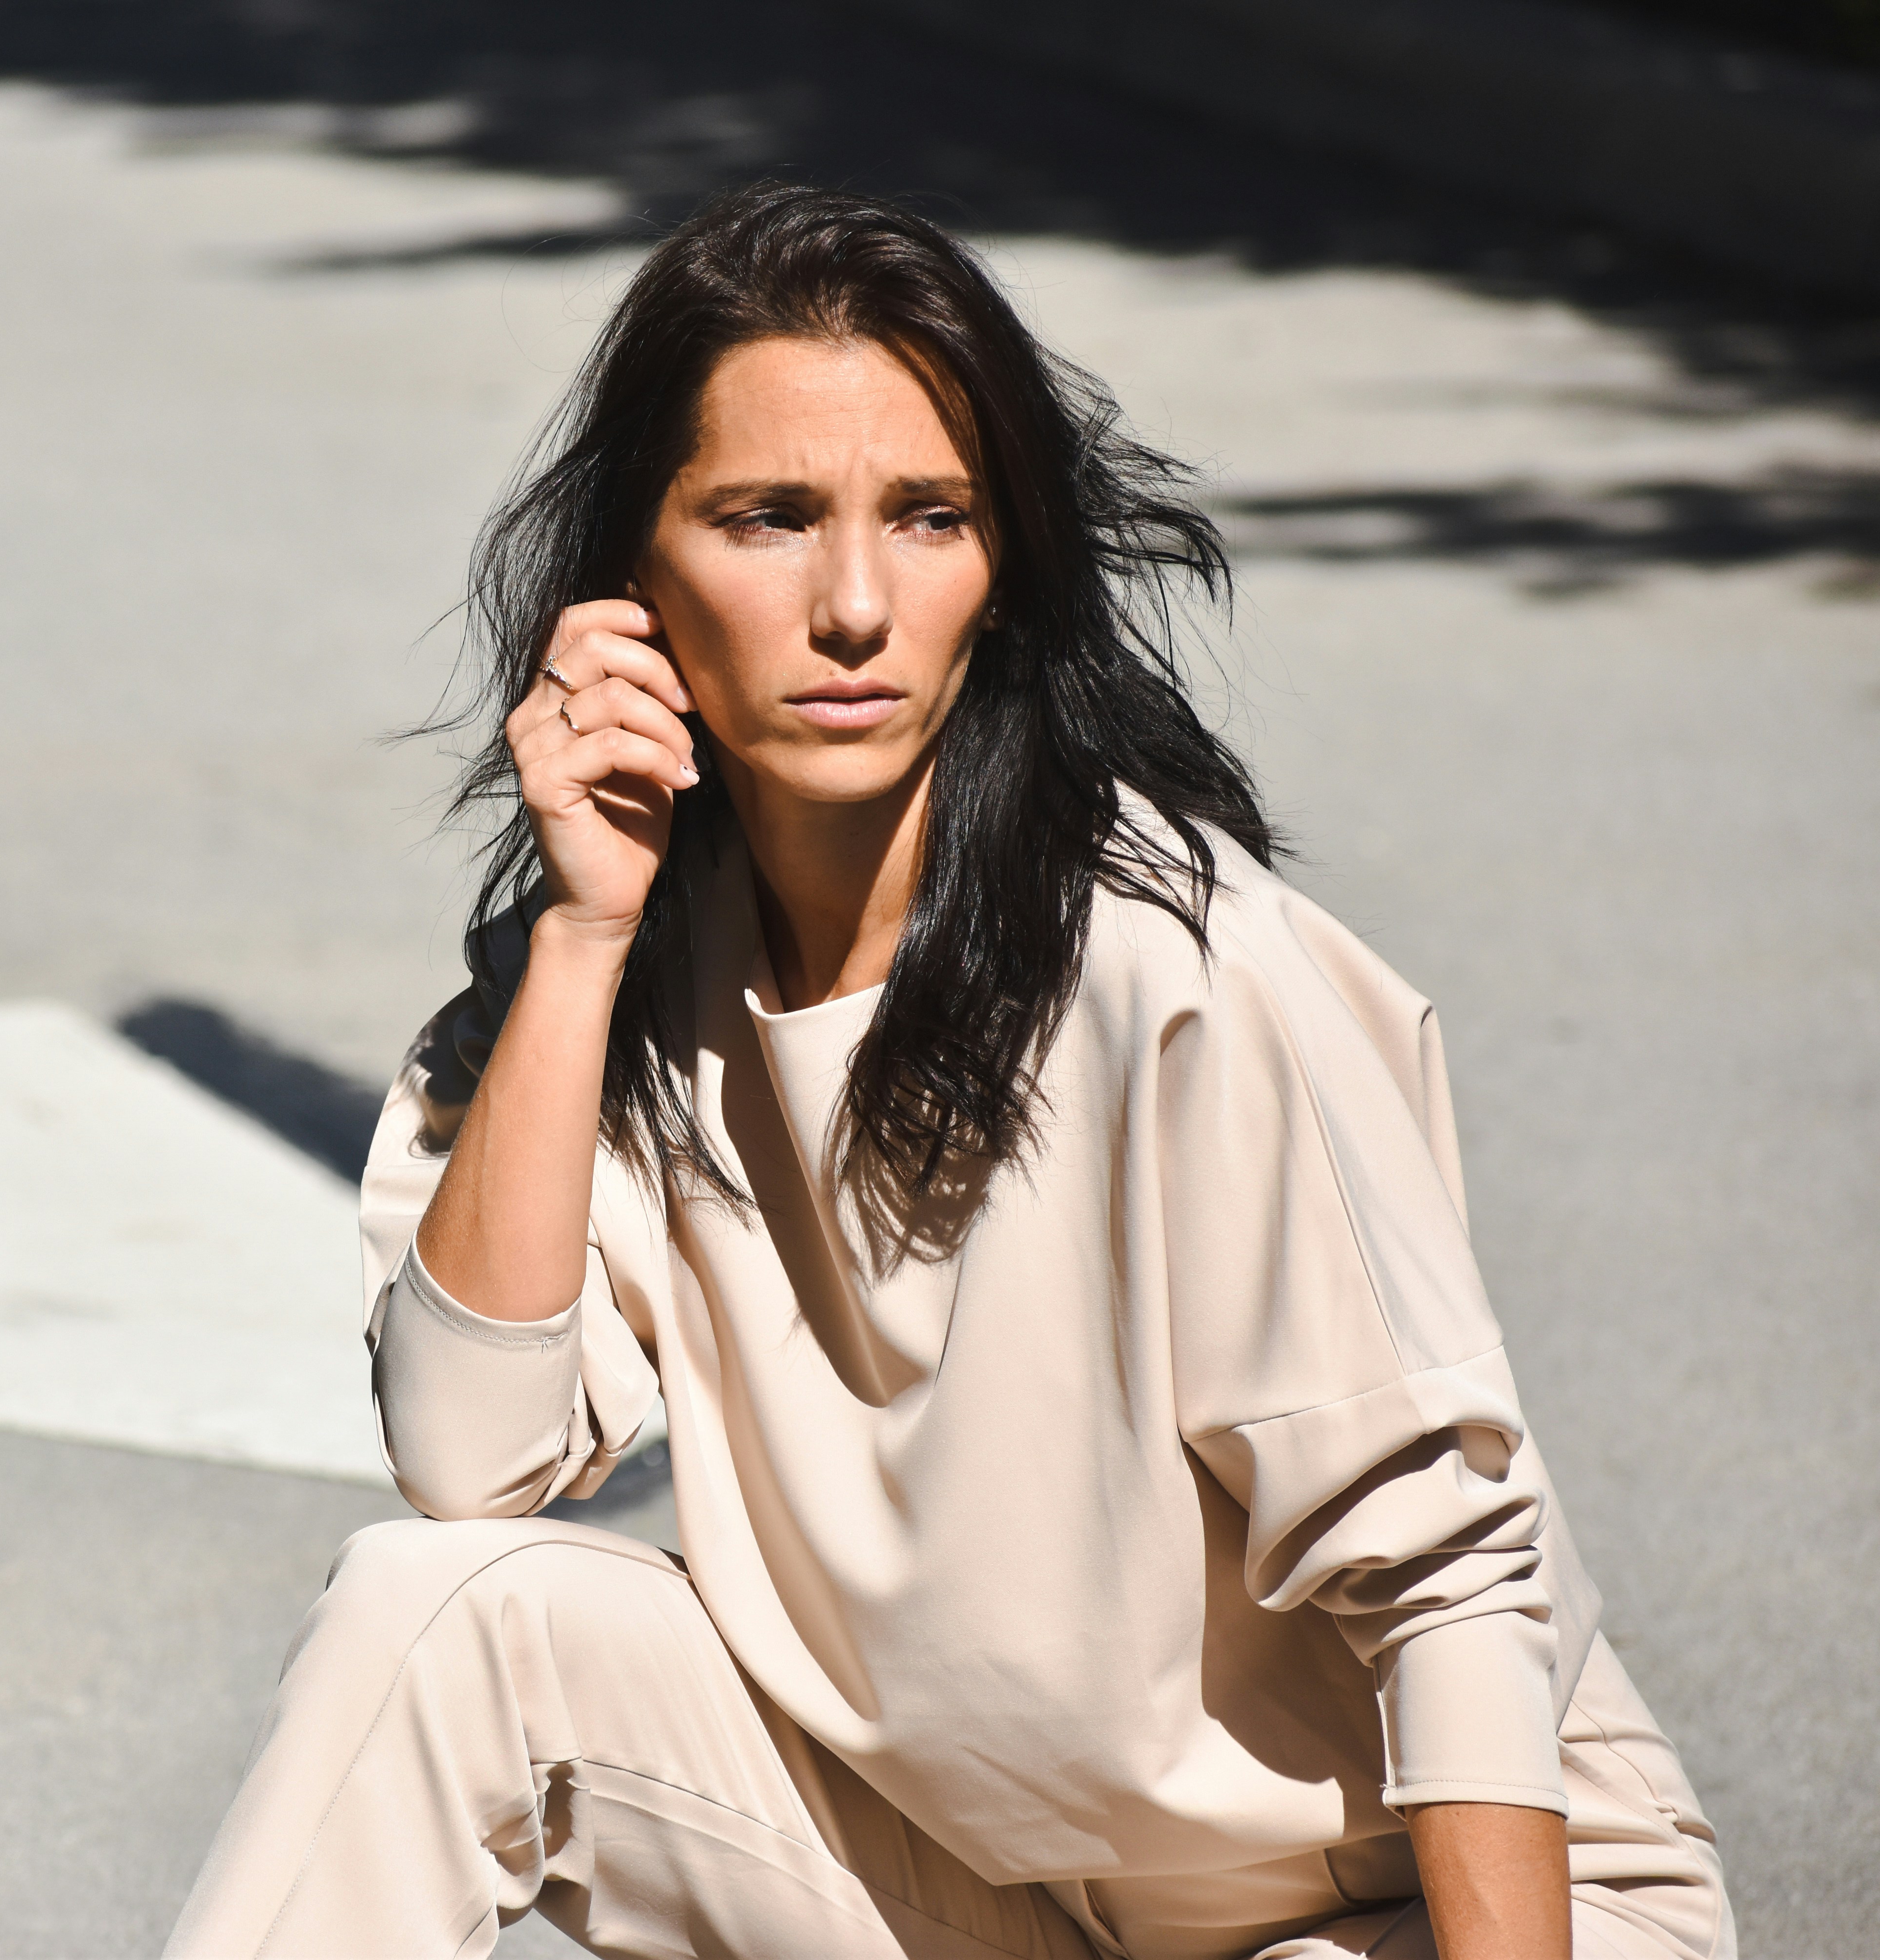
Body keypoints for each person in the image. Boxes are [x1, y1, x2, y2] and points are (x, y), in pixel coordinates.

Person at [164, 185, 1732, 1960]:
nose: (855, 607)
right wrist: (584, 941)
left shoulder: (1174, 968)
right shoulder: (602, 980)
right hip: (1000, 1894)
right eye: (767, 519)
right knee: (439, 1614)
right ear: (635, 580)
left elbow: (1456, 1587)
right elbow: (469, 1462)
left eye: (930, 519)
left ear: (1005, 567)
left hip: (1409, 1917)